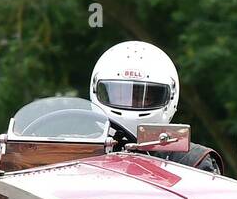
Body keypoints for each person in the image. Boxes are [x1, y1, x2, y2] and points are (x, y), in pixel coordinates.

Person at [88, 41, 223, 172]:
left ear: (170, 97)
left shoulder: (192, 161)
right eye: (121, 95)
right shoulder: (80, 149)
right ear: (96, 90)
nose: (131, 103)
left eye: (145, 97)